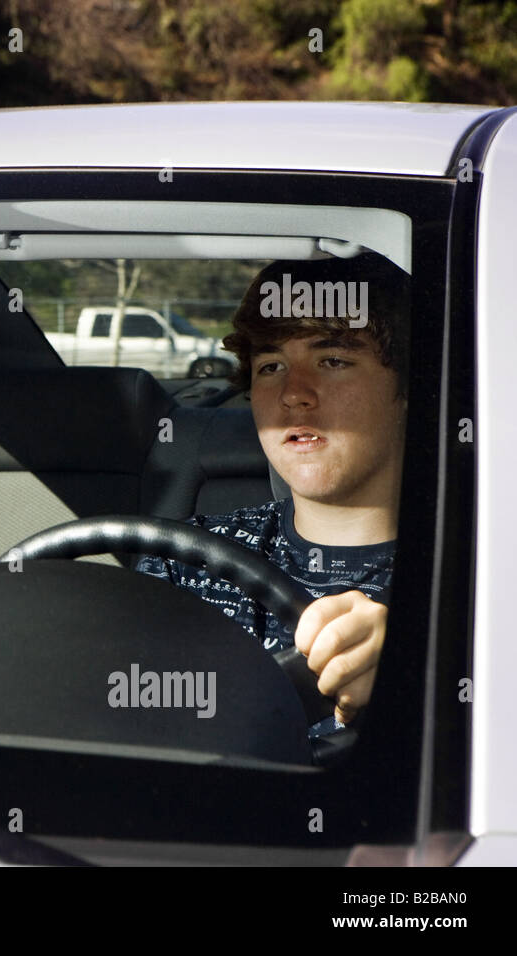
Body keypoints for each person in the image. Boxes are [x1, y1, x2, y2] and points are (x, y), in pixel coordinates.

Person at [137, 253, 408, 734]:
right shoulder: (181, 559)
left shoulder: (479, 581)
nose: (293, 393)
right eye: (271, 366)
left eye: (333, 360)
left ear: (411, 387)